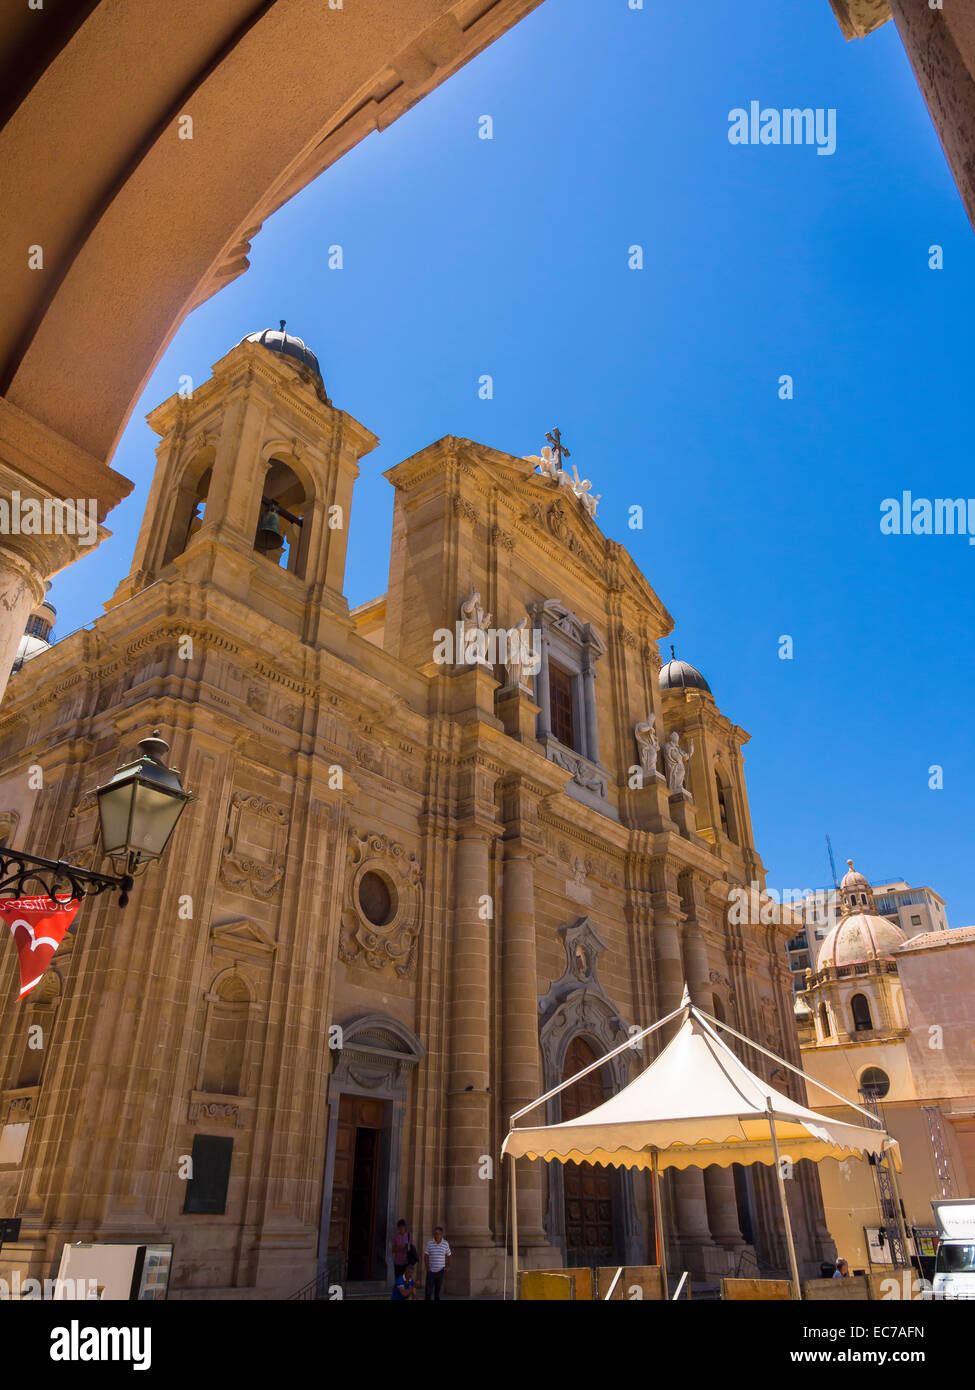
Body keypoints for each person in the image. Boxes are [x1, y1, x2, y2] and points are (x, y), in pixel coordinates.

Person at [423, 1226, 451, 1301]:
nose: (437, 1235)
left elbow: (449, 1255)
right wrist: (427, 1267)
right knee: (428, 1292)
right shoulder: (430, 1243)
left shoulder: (445, 1243)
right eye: (435, 1234)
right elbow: (426, 1255)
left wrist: (448, 1266)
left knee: (437, 1292)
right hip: (431, 1271)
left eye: (439, 1234)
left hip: (440, 1271)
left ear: (442, 1235)